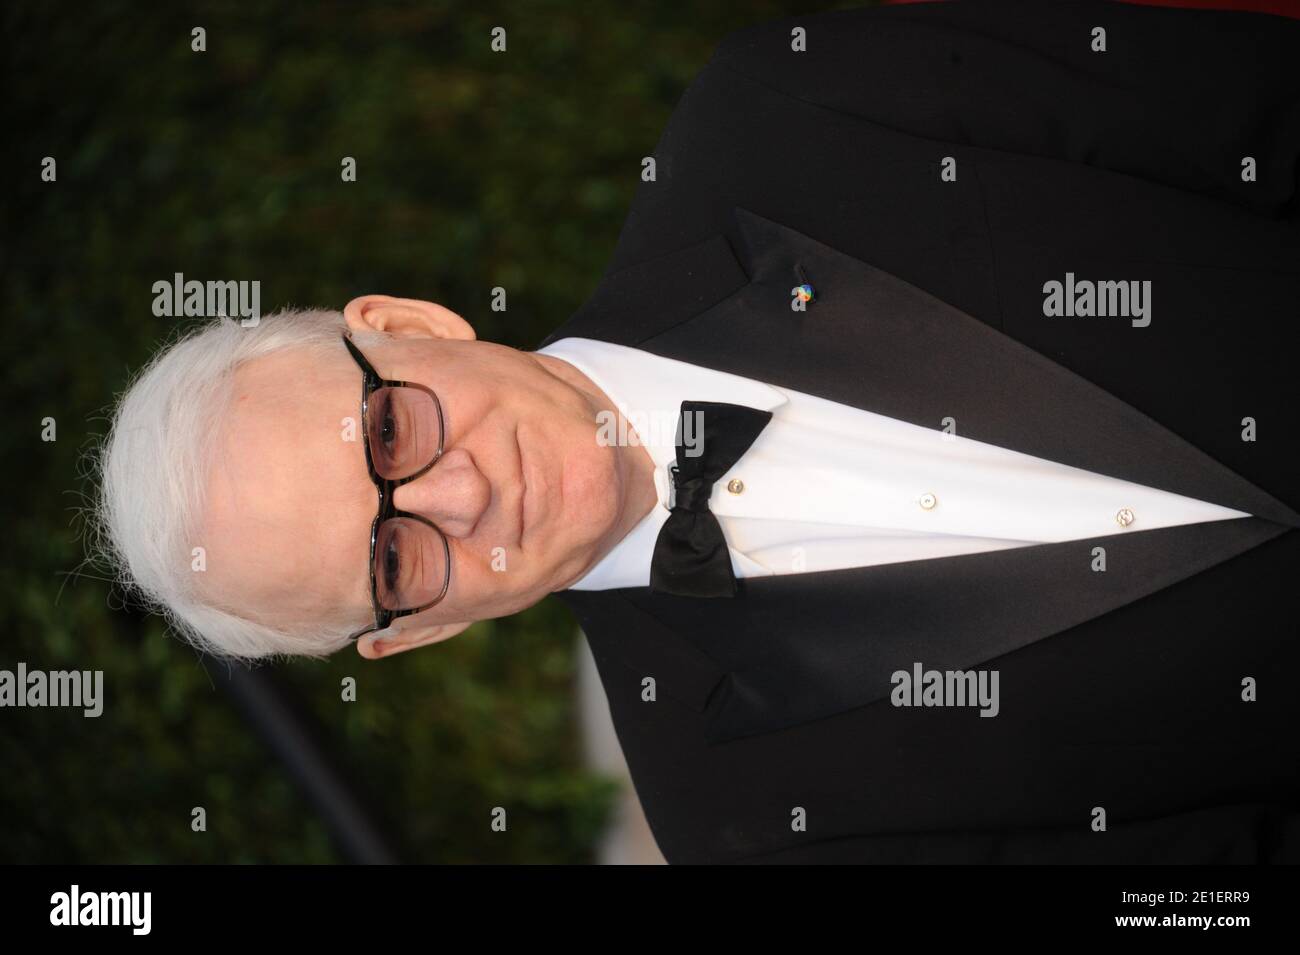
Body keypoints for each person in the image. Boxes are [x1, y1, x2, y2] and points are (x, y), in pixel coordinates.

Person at [97, 1, 1300, 862]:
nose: (458, 499)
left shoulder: (784, 106)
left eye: (386, 433)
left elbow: (1258, 104)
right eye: (392, 560)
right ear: (418, 633)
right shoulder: (742, 828)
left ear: (408, 323)